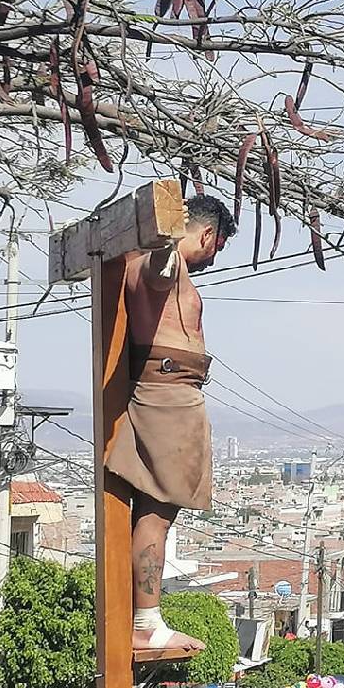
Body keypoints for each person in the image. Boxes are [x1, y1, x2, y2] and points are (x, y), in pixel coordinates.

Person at [115, 193, 236, 655]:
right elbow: (158, 270)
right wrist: (166, 228)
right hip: (168, 396)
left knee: (154, 512)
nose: (211, 260)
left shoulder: (152, 265)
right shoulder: (159, 264)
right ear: (207, 234)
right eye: (216, 248)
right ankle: (145, 623)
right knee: (157, 513)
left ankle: (145, 620)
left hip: (163, 392)